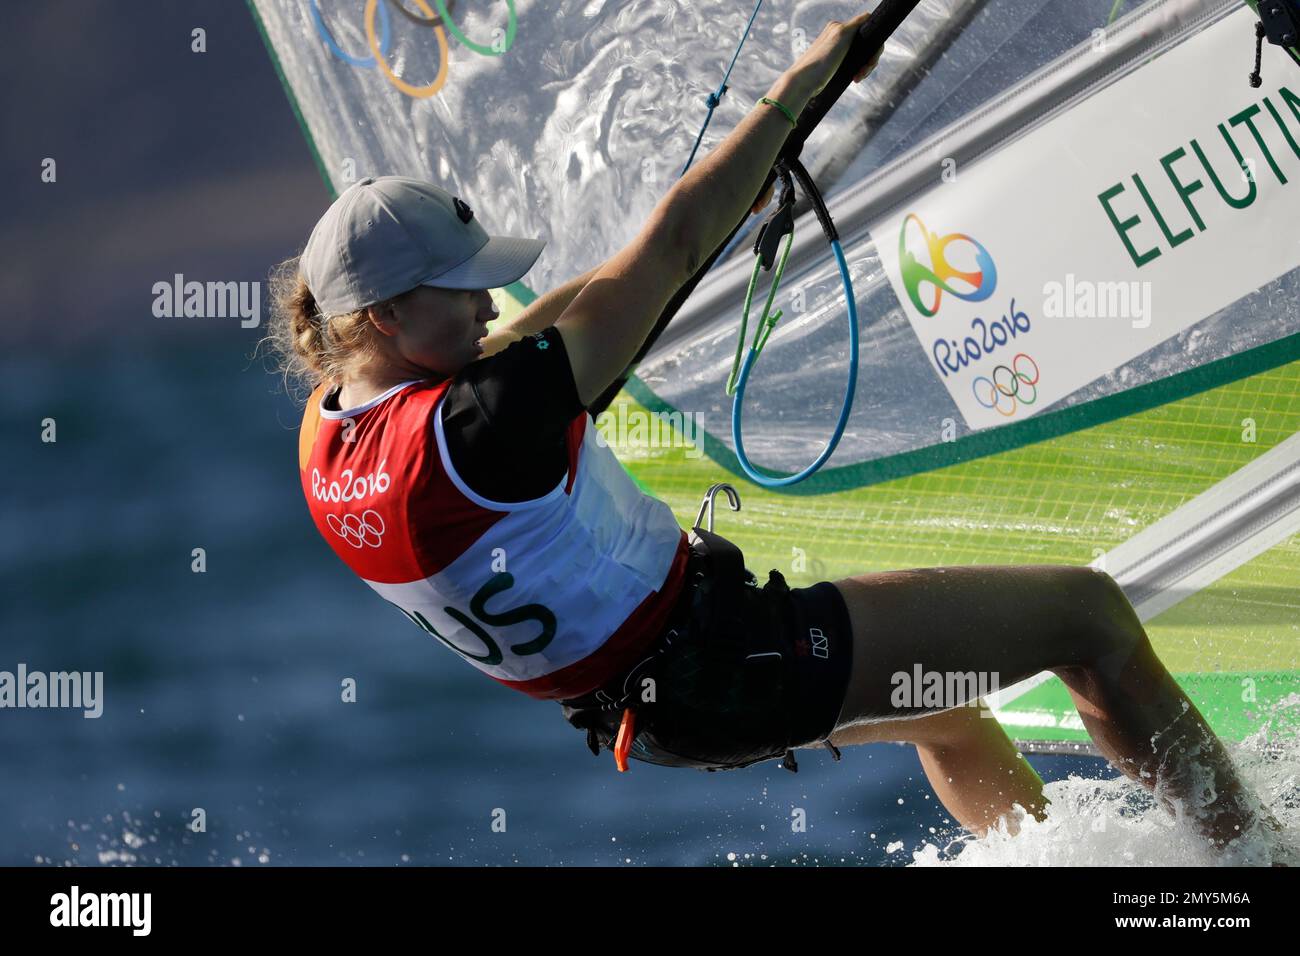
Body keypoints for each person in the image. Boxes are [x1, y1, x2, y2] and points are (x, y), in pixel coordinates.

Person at [265, 12, 1281, 856]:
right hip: (728, 661)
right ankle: (1244, 868)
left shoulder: (332, 432)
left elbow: (587, 303)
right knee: (1088, 619)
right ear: (385, 317)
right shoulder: (489, 421)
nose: (489, 298)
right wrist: (802, 86)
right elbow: (663, 249)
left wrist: (686, 246)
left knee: (942, 706)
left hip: (649, 711)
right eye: (463, 287)